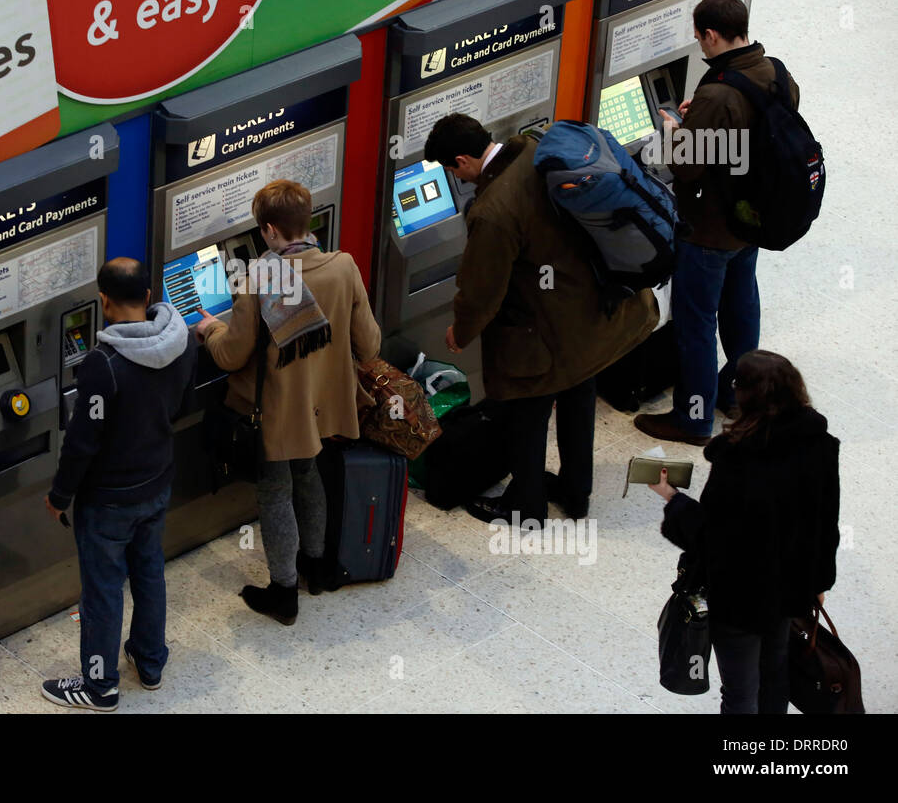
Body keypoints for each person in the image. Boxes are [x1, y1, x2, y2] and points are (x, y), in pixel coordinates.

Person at [426, 113, 657, 527]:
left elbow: (482, 292)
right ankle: (576, 492)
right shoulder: (534, 149)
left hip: (545, 325)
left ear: (461, 161)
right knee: (577, 396)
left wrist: (461, 333)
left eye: (449, 169)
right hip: (589, 308)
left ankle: (525, 506)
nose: (454, 178)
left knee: (526, 411)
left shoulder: (492, 211)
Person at [195, 179, 380, 625]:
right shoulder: (343, 266)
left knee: (275, 493)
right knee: (308, 471)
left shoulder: (260, 277)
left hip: (278, 411)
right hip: (326, 401)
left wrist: (208, 330)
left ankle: (283, 593)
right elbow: (369, 344)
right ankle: (314, 568)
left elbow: (231, 354)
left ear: (271, 231)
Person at [635, 0, 800, 446]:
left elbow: (686, 166)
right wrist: (704, 121)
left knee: (697, 325)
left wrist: (674, 130)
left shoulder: (718, 92)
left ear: (711, 34)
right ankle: (742, 394)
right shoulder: (778, 73)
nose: (700, 46)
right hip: (753, 220)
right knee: (741, 307)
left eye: (699, 38)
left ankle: (691, 419)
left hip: (709, 230)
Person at [41, 258, 197, 711]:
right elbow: (182, 405)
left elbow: (81, 443)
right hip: (157, 483)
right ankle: (149, 663)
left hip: (108, 501)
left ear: (103, 301)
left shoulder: (101, 365)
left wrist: (59, 496)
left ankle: (99, 686)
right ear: (147, 297)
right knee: (149, 572)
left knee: (103, 591)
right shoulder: (180, 340)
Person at [649, 350, 840, 713]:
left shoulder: (737, 462)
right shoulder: (821, 445)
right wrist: (818, 584)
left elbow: (709, 536)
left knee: (739, 691)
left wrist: (671, 499)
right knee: (774, 676)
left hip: (740, 596)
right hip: (788, 589)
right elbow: (826, 522)